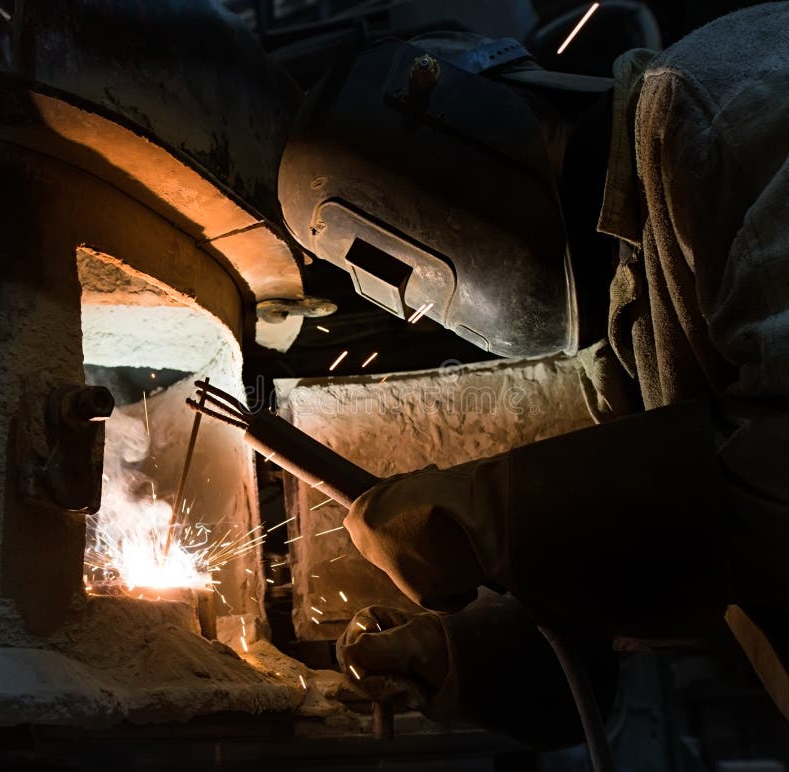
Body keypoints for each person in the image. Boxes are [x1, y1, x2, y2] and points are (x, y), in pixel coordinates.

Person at [284, 2, 789, 746]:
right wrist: (464, 651)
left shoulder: (723, 108)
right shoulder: (645, 289)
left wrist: (496, 518)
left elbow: (770, 486)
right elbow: (633, 427)